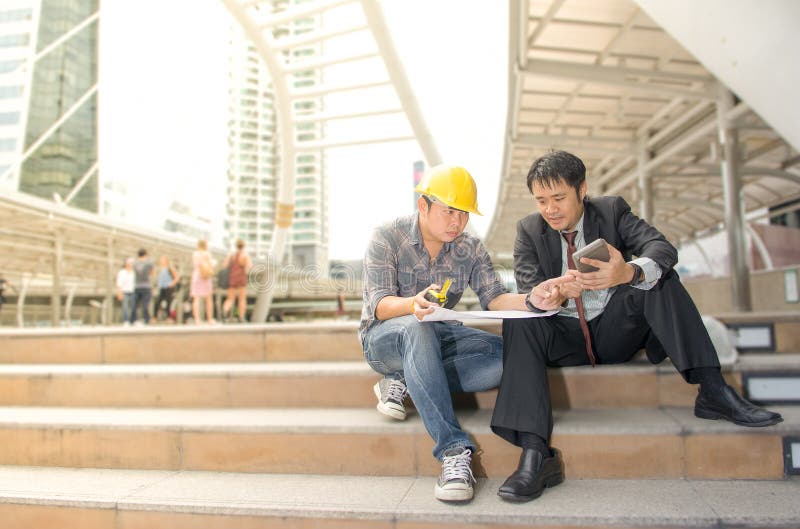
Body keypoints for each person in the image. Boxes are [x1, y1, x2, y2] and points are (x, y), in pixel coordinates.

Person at [490, 150, 783, 503]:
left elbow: (662, 247)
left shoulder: (612, 210)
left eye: (558, 198)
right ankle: (536, 453)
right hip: (563, 338)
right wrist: (554, 293)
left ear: (582, 190)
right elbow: (528, 287)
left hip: (615, 333)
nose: (550, 209)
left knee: (658, 278)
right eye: (541, 200)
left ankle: (712, 390)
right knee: (521, 317)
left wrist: (628, 271)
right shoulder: (528, 230)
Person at [360, 164, 531, 503]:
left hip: (438, 336)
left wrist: (536, 297)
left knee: (507, 353)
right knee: (416, 327)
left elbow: (494, 298)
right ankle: (452, 450)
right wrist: (413, 304)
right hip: (385, 338)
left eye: (463, 213)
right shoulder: (386, 237)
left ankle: (408, 378)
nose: (458, 222)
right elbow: (379, 306)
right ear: (423, 206)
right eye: (449, 211)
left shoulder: (470, 248)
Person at [222, 239, 252, 323]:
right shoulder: (245, 256)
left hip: (232, 278)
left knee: (230, 299)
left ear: (236, 246)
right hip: (241, 278)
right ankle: (241, 317)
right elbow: (250, 267)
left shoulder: (231, 255)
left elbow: (224, 265)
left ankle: (225, 310)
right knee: (242, 299)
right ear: (243, 246)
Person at [191, 239, 216, 324]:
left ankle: (197, 319)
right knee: (208, 298)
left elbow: (195, 264)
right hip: (205, 276)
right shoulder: (207, 254)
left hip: (197, 275)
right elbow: (211, 264)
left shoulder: (195, 254)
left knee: (196, 298)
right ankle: (209, 319)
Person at [131, 249, 155, 325]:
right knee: (145, 305)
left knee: (134, 304)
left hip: (137, 286)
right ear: (145, 254)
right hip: (146, 286)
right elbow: (152, 273)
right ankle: (146, 320)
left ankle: (133, 320)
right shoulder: (149, 263)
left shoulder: (134, 263)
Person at [154, 255, 179, 322]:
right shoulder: (160, 269)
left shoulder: (170, 268)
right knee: (157, 302)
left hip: (168, 288)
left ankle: (169, 318)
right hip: (161, 287)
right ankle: (154, 317)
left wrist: (172, 283)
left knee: (169, 303)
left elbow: (177, 277)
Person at [115, 258, 135, 325]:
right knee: (125, 307)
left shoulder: (134, 272)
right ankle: (126, 320)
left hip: (133, 291)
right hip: (125, 291)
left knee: (133, 306)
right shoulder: (122, 272)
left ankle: (133, 320)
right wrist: (119, 292)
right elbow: (119, 283)